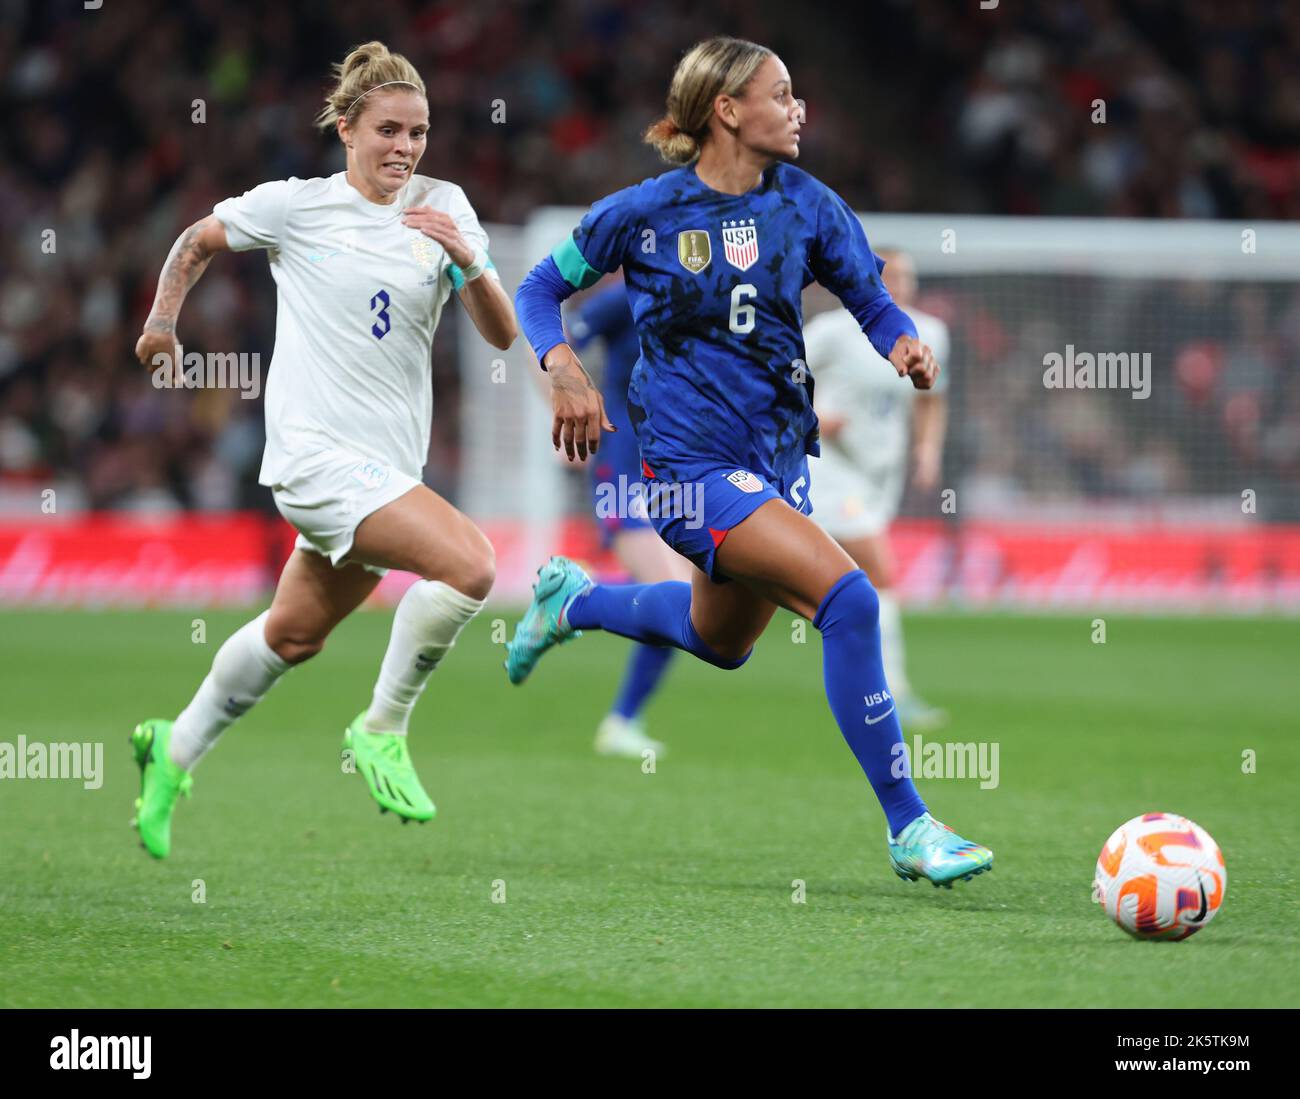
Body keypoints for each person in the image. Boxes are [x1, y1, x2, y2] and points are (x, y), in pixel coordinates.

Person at [507, 37, 992, 887]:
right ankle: (910, 823)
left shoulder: (809, 205)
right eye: (783, 93)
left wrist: (903, 344)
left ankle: (573, 603)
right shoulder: (644, 212)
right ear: (727, 110)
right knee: (848, 600)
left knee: (719, 641)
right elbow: (540, 288)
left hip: (774, 465)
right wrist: (563, 368)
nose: (799, 108)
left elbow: (869, 297)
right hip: (686, 467)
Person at [128, 41, 516, 858]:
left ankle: (175, 747)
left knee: (293, 635)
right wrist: (163, 322)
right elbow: (196, 240)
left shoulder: (444, 206)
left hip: (384, 468)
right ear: (347, 129)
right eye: (388, 130)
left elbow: (501, 332)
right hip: (313, 459)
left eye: (419, 132)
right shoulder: (296, 206)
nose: (405, 148)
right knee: (473, 566)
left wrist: (469, 257)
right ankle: (383, 726)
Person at [806, 249, 951, 729]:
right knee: (880, 574)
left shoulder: (930, 334)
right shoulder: (834, 332)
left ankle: (855, 681)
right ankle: (893, 691)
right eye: (893, 278)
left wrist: (927, 451)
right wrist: (810, 416)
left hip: (879, 475)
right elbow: (777, 373)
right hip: (831, 468)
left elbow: (933, 399)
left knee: (844, 585)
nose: (903, 286)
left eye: (910, 277)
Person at [566, 283, 691, 758]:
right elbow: (553, 349)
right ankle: (573, 602)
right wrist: (562, 410)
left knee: (683, 610)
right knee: (677, 598)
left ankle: (622, 720)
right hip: (623, 468)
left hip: (678, 474)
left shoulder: (704, 292)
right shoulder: (627, 296)